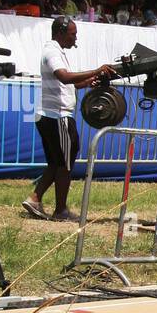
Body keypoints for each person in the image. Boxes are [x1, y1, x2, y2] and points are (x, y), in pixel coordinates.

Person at [22, 17, 116, 222]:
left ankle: (35, 198)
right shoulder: (53, 51)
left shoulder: (55, 50)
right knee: (65, 164)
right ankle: (61, 210)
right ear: (60, 32)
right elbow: (64, 77)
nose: (75, 37)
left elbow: (67, 84)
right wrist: (98, 69)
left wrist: (89, 81)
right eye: (72, 33)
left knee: (56, 162)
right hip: (58, 117)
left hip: (49, 115)